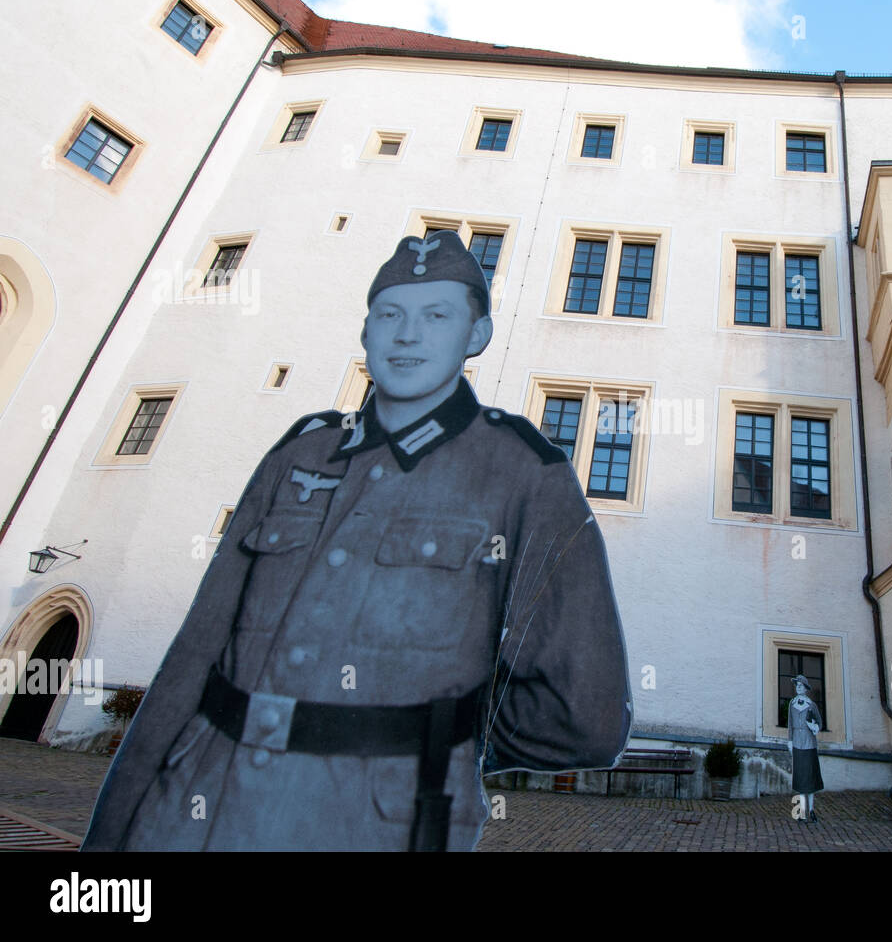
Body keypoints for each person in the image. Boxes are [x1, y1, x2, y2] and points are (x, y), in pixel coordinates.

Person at [83, 231, 632, 851]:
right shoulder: (302, 448)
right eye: (390, 314)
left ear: (475, 337)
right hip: (188, 813)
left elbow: (587, 716)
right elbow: (191, 660)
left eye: (436, 316)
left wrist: (434, 735)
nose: (407, 335)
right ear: (366, 331)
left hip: (369, 826)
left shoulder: (523, 474)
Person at [787, 674, 823, 822]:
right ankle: (801, 810)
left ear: (805, 688)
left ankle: (811, 809)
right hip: (797, 742)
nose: (798, 687)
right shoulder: (792, 704)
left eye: (800, 685)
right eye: (797, 685)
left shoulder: (811, 705)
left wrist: (813, 726)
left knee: (810, 777)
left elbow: (819, 723)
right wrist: (789, 740)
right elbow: (790, 723)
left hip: (809, 743)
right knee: (801, 778)